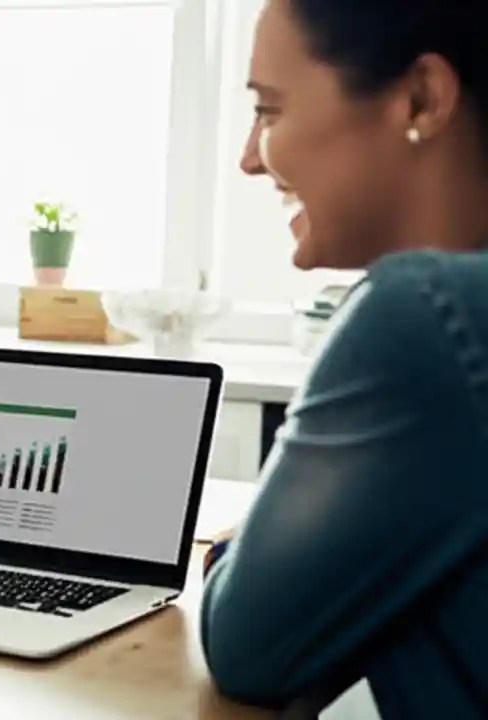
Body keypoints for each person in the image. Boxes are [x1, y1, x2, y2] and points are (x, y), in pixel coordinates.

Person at [200, 0, 488, 716]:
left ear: (421, 97)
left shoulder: (426, 314)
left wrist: (243, 549)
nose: (247, 157)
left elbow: (246, 643)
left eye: (269, 111)